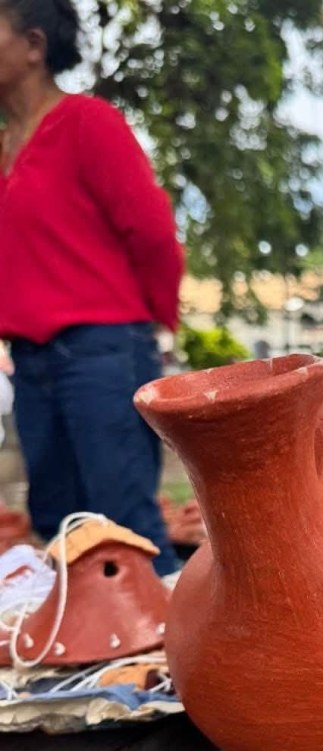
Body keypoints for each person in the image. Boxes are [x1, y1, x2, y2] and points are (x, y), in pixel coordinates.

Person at [0, 0, 183, 575]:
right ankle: (83, 636)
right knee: (60, 525)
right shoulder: (4, 149)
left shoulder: (88, 123)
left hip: (102, 352)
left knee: (125, 525)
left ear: (33, 45)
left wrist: (147, 328)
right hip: (30, 361)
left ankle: (169, 630)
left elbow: (152, 233)